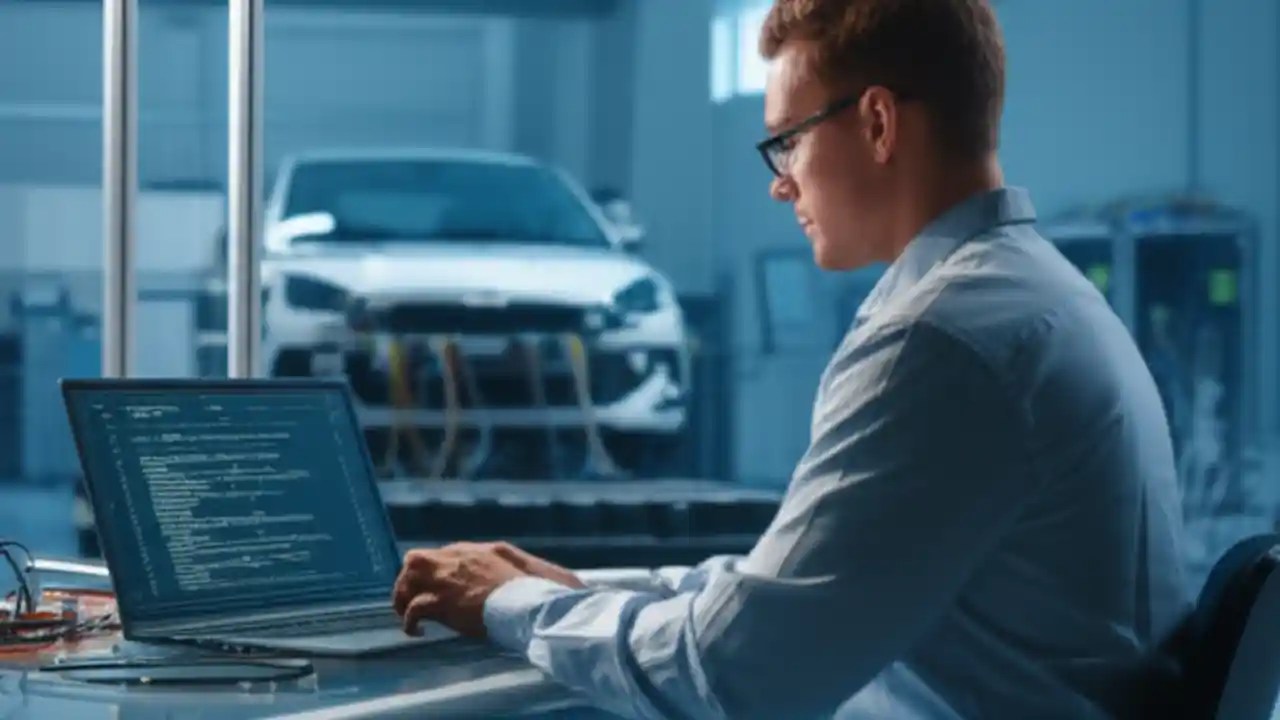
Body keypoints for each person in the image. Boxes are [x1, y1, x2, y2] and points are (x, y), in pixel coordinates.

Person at [391, 0, 1192, 717]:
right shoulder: (1033, 296)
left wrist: (512, 609)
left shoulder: (943, 340)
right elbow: (800, 589)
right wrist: (579, 590)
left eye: (787, 142)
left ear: (878, 122)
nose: (781, 185)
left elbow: (732, 674)